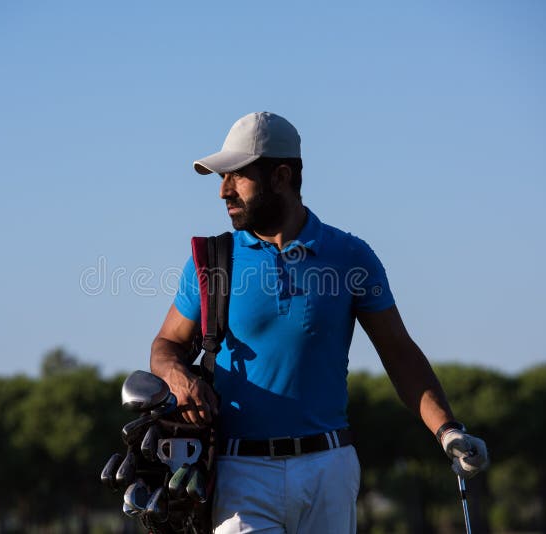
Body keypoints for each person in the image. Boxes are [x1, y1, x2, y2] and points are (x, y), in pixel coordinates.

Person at [150, 111, 489, 533]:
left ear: (281, 176)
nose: (223, 191)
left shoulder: (350, 256)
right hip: (239, 472)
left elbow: (399, 353)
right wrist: (179, 378)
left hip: (329, 469)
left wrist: (447, 431)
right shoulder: (212, 261)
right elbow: (165, 345)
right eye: (222, 179)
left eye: (236, 176)